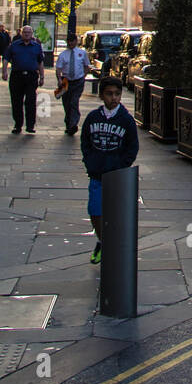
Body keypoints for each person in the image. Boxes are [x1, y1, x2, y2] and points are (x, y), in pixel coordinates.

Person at [80, 77, 139, 265]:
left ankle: (114, 244)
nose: (114, 98)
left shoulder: (126, 120)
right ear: (101, 95)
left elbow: (132, 147)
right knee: (95, 211)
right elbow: (85, 142)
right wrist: (90, 162)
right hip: (97, 174)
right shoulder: (93, 118)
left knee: (116, 212)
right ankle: (102, 240)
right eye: (109, 94)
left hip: (117, 175)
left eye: (117, 94)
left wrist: (122, 165)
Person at [6, 24, 45, 134]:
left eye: (29, 32)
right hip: (17, 76)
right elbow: (6, 58)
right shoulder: (14, 45)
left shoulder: (36, 46)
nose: (27, 34)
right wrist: (4, 71)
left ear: (32, 34)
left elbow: (40, 62)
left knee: (30, 100)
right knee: (16, 101)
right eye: (25, 32)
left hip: (31, 76)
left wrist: (42, 77)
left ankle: (30, 126)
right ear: (21, 33)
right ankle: (18, 125)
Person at [55, 33, 91, 136]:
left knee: (74, 102)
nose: (70, 43)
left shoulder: (81, 53)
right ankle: (68, 123)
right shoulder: (63, 55)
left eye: (72, 41)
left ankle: (73, 124)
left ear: (76, 41)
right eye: (69, 41)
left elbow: (86, 66)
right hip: (66, 81)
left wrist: (83, 77)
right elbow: (58, 68)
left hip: (78, 81)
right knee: (66, 103)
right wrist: (59, 79)